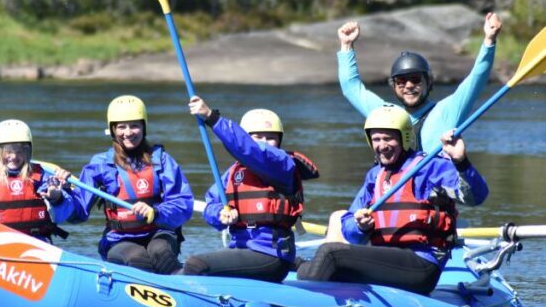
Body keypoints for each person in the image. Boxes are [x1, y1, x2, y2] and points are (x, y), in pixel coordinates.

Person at [297, 106, 488, 294]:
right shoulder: (375, 175)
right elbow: (350, 231)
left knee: (331, 254)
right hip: (385, 261)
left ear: (405, 138)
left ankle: (303, 303)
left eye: (388, 138)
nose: (382, 145)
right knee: (324, 259)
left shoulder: (429, 167)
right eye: (376, 139)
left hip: (422, 264)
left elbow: (476, 196)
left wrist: (461, 161)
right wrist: (360, 225)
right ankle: (299, 270)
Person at [182, 96, 319, 282]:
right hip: (240, 248)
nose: (264, 142)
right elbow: (211, 203)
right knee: (188, 267)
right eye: (257, 137)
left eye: (271, 138)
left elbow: (252, 149)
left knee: (196, 265)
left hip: (271, 254)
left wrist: (211, 117)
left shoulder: (281, 164)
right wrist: (220, 213)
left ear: (279, 141)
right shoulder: (234, 172)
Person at [337, 12, 502, 152]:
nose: (408, 86)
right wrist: (346, 45)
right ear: (393, 86)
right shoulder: (385, 114)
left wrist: (489, 41)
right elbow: (351, 88)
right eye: (401, 81)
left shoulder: (446, 111)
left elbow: (477, 79)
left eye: (415, 79)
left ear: (428, 82)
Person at [76, 95, 194, 274]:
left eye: (134, 125)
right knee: (137, 258)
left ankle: (184, 290)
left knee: (160, 252)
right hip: (119, 240)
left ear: (143, 128)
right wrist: (57, 197)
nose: (128, 132)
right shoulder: (99, 164)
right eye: (122, 126)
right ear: (113, 130)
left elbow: (183, 204)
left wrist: (156, 212)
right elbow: (77, 212)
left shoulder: (161, 160)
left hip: (158, 232)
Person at [0, 119, 82, 243]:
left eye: (20, 151)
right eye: (8, 151)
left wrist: (57, 198)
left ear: (28, 152)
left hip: (36, 245)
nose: (13, 157)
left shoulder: (42, 177)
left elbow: (63, 215)